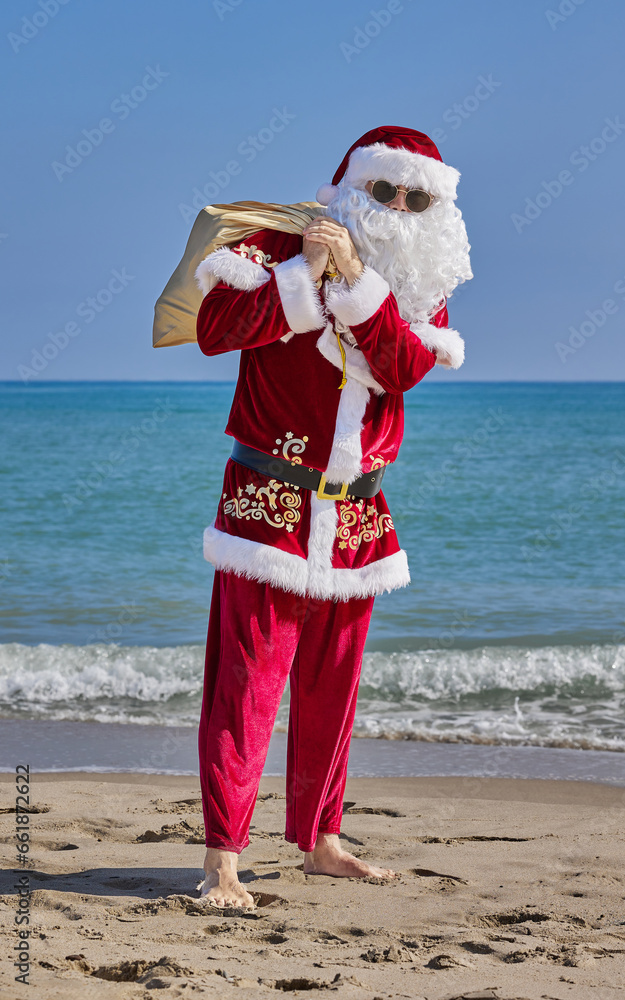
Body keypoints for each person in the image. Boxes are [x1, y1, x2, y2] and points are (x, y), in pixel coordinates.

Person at [195, 125, 473, 907]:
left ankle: (321, 841)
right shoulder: (270, 244)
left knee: (333, 689)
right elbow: (216, 332)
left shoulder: (420, 285)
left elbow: (401, 369)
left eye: (415, 197)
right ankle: (222, 861)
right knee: (245, 686)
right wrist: (306, 272)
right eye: (384, 189)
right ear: (349, 184)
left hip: (357, 513)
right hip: (267, 503)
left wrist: (357, 284)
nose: (396, 206)